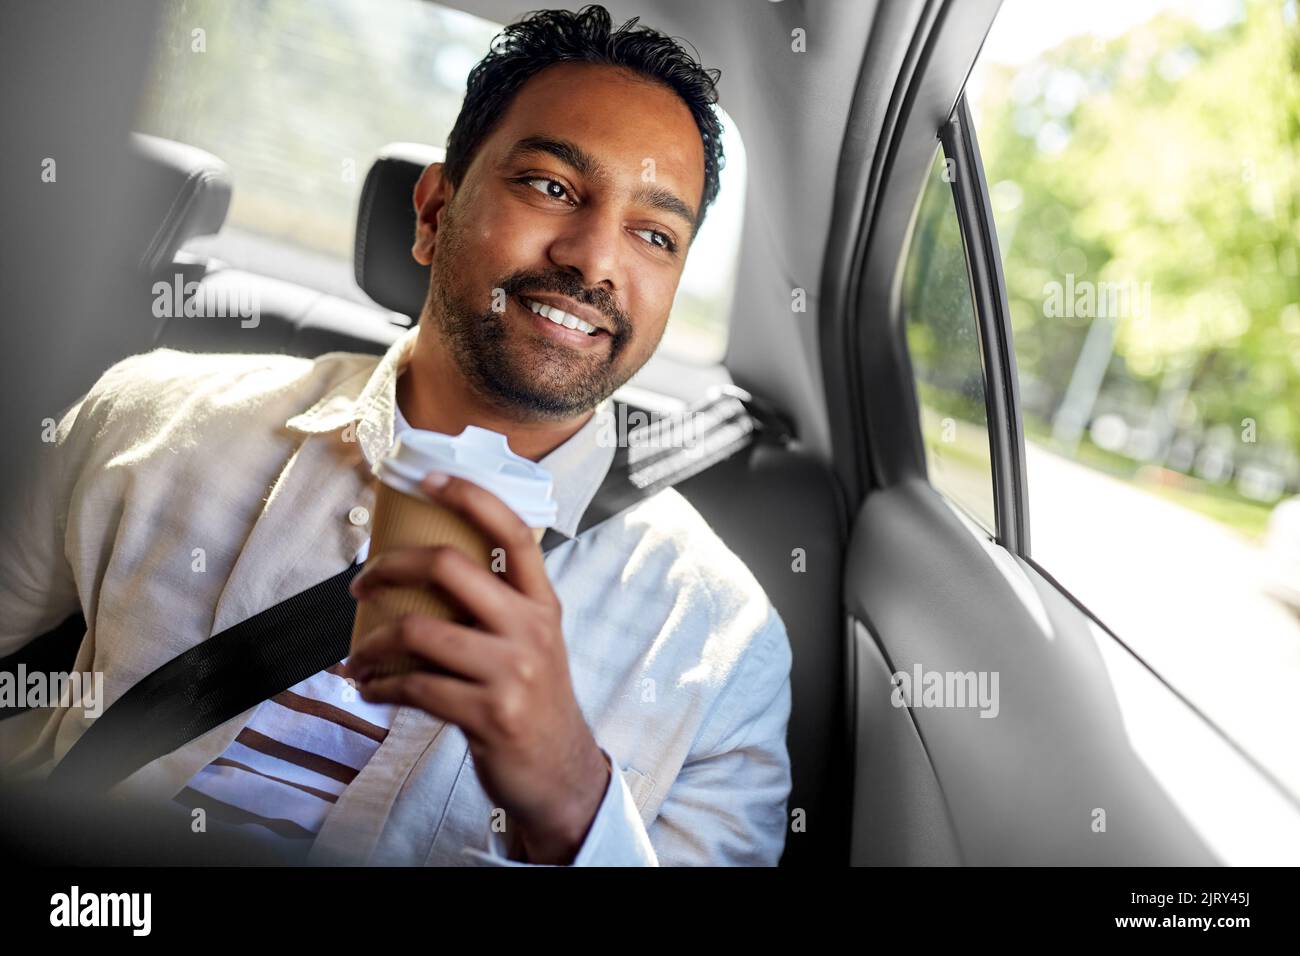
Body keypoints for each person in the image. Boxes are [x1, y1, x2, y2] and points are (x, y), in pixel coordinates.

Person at [0, 4, 792, 866]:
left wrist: (573, 797)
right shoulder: (145, 421)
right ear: (433, 211)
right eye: (552, 187)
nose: (594, 258)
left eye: (653, 234)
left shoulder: (719, 642)